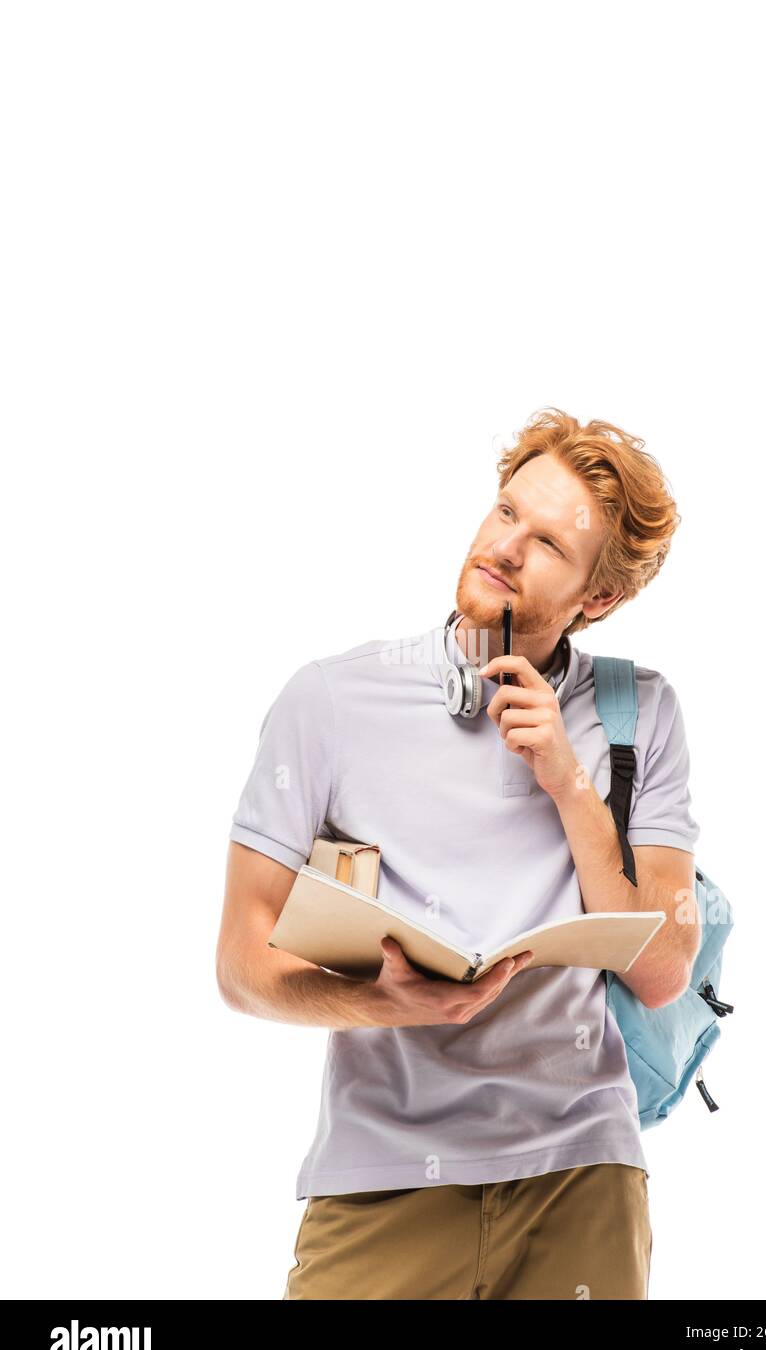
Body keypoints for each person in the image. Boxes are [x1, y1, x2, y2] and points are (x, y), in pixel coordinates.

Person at [216, 406, 701, 1300]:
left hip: (580, 1178)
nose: (507, 547)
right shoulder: (330, 701)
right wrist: (380, 1002)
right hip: (382, 1179)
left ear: (597, 600)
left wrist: (565, 780)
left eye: (549, 544)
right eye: (508, 510)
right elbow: (242, 965)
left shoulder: (642, 716)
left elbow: (665, 969)